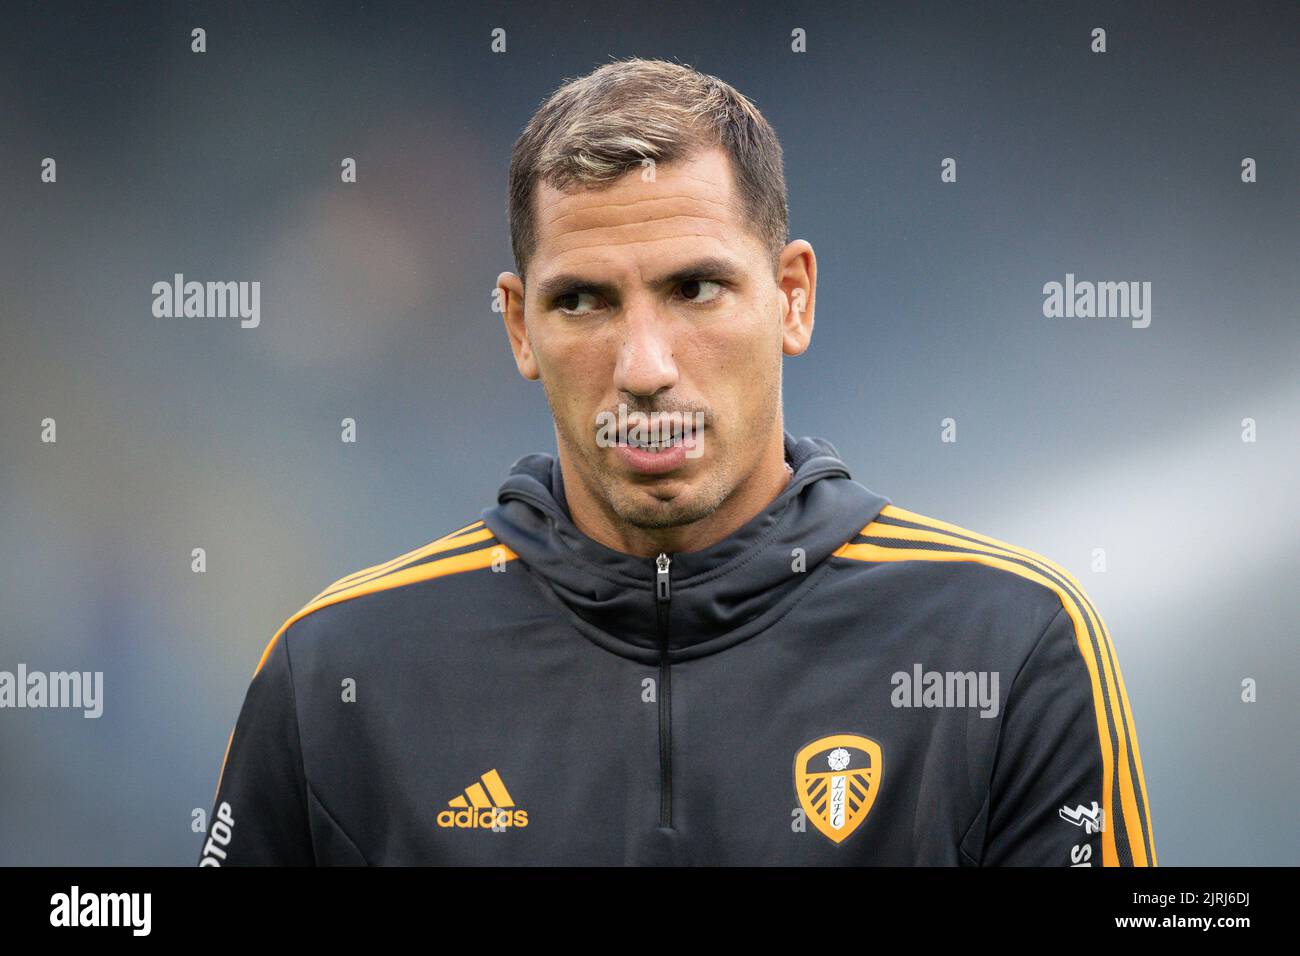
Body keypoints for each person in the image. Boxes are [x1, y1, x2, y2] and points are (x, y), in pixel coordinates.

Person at [199, 57, 1155, 866]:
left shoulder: (1009, 645)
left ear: (791, 298)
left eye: (695, 287)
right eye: (582, 302)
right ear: (518, 325)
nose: (645, 369)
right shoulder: (337, 672)